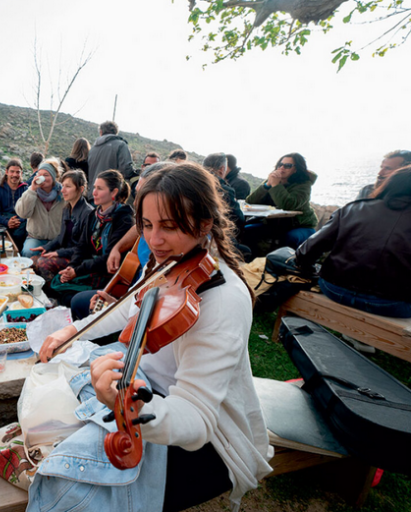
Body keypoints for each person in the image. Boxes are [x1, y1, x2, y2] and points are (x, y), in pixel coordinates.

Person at [30, 163, 272, 512]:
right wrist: (71, 330)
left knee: (74, 486)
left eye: (168, 227)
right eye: (146, 225)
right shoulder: (167, 262)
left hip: (210, 443)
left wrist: (130, 406)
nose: (153, 240)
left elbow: (198, 420)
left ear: (205, 224)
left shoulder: (224, 300)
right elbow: (129, 306)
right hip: (147, 388)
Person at [296, 166, 411, 318]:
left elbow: (307, 250)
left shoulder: (353, 209)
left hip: (334, 288)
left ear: (390, 184)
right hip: (393, 304)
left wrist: (309, 270)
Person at [54, 170, 134, 314]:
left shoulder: (124, 220)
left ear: (114, 192)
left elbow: (107, 258)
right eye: (94, 187)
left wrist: (76, 271)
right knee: (57, 283)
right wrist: (71, 267)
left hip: (105, 273)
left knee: (69, 297)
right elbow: (82, 246)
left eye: (100, 188)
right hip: (89, 267)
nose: (94, 193)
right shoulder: (93, 215)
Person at [243, 152, 318, 255]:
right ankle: (253, 262)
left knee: (290, 238)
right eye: (280, 165)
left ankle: (285, 266)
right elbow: (250, 201)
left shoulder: (303, 185)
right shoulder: (273, 181)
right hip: (275, 224)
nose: (282, 168)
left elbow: (288, 205)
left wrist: (275, 185)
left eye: (287, 166)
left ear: (296, 169)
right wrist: (267, 185)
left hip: (299, 225)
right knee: (246, 231)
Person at [32, 170, 94, 284]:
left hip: (77, 259)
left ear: (80, 189)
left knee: (42, 263)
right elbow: (62, 236)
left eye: (68, 186)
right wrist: (47, 246)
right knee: (32, 261)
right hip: (66, 252)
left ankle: (54, 293)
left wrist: (58, 253)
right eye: (63, 186)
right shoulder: (67, 208)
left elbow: (84, 249)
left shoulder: (88, 213)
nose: (62, 190)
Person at [15, 158, 66, 257]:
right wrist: (32, 190)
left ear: (53, 177)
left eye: (46, 175)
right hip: (35, 238)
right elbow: (23, 214)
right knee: (28, 252)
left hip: (57, 239)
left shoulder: (62, 194)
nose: (42, 177)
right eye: (39, 174)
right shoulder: (31, 192)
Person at [202, 153, 245, 242]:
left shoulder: (191, 184)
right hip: (215, 237)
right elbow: (238, 218)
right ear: (222, 169)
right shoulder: (224, 190)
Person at [87, 121, 137, 197]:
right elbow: (126, 170)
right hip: (110, 196)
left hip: (93, 194)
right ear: (116, 132)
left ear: (101, 132)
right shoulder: (121, 145)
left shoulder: (92, 149)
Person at [0, 158, 28, 250]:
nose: (15, 175)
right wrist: (7, 222)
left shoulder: (26, 189)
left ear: (21, 173)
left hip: (21, 221)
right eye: (12, 171)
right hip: (3, 221)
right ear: (7, 172)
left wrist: (18, 220)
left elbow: (29, 210)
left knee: (21, 232)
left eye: (17, 172)